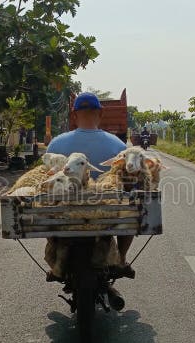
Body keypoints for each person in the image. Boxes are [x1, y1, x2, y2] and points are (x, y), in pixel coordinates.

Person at [45, 92, 135, 293]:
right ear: (100, 114)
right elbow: (130, 183)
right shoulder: (119, 146)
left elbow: (45, 180)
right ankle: (121, 259)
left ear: (74, 115)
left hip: (65, 213)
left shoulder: (56, 144)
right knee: (130, 207)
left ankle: (56, 264)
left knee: (45, 208)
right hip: (106, 215)